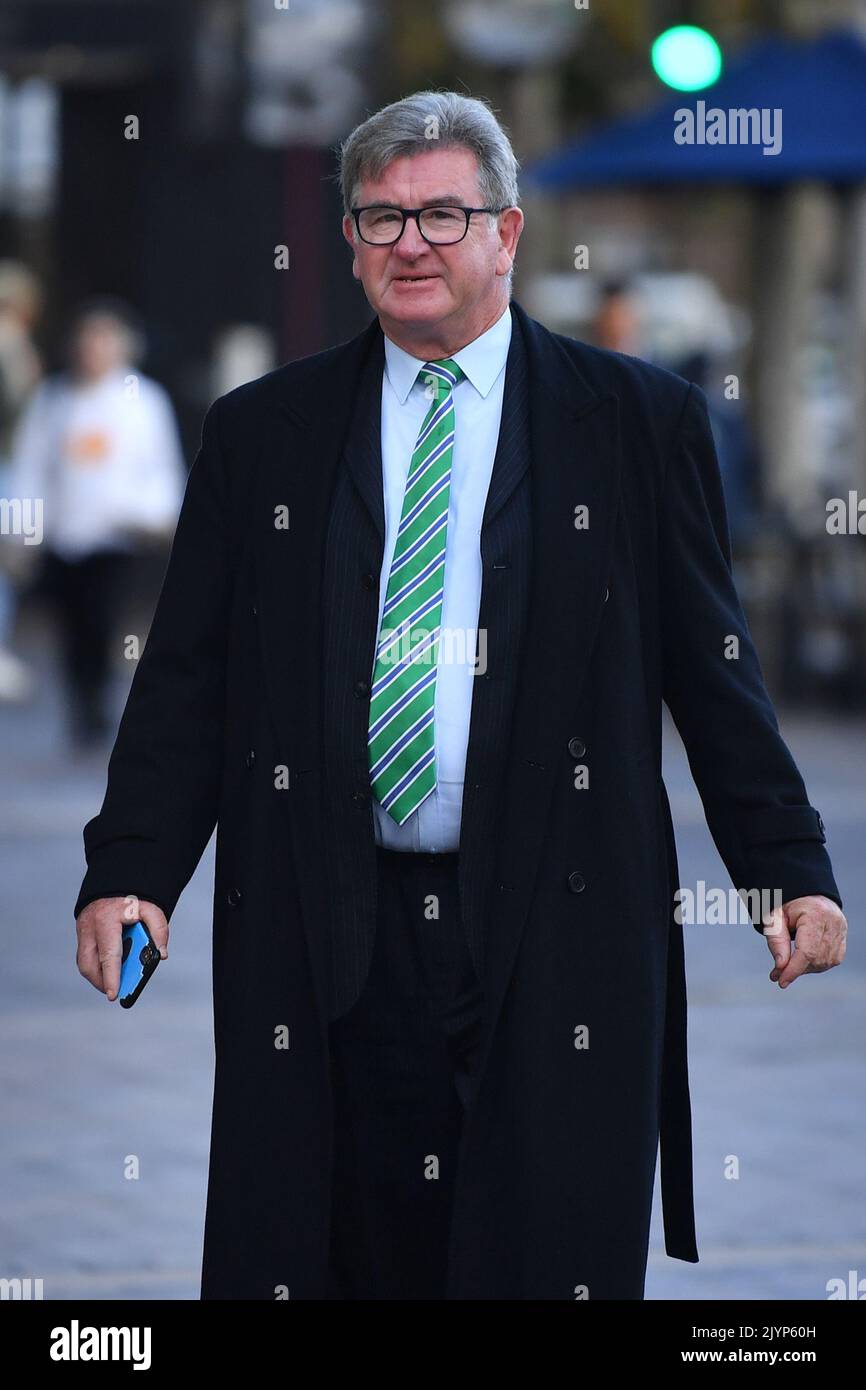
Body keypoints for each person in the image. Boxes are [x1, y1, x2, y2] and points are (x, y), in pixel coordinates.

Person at [72, 92, 846, 1301]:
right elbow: (187, 679)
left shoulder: (633, 424)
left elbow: (713, 667)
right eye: (378, 219)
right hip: (333, 928)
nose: (410, 243)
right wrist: (130, 868)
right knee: (338, 1252)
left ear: (508, 231)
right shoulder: (264, 432)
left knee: (540, 1255)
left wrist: (786, 866)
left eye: (442, 212)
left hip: (558, 926)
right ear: (348, 242)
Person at [10, 299, 185, 746]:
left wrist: (157, 514)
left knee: (105, 619)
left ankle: (101, 701)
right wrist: (22, 531)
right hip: (66, 535)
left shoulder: (143, 401)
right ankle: (80, 702)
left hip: (118, 536)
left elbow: (160, 466)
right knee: (71, 625)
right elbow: (30, 468)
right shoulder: (53, 399)